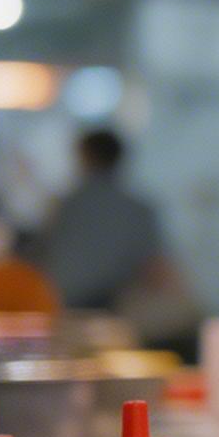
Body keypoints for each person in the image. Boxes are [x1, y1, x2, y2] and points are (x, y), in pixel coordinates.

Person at [36, 129, 166, 312]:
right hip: (119, 307)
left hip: (68, 301)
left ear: (86, 156)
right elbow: (153, 265)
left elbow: (44, 251)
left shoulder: (68, 205)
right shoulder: (139, 208)